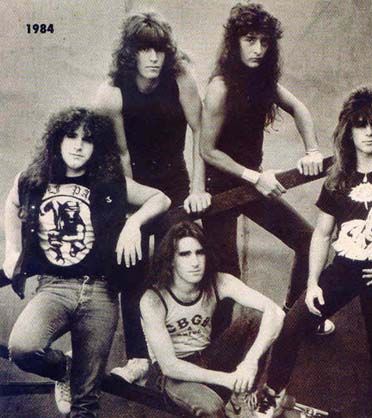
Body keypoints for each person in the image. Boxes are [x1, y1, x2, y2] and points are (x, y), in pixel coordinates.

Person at [253, 88, 372, 418]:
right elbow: (322, 233)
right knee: (292, 324)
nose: (368, 132)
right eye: (360, 124)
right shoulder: (339, 178)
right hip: (343, 269)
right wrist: (312, 284)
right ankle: (270, 399)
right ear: (349, 131)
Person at [5, 108, 171, 417]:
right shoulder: (33, 179)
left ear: (98, 146)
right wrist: (12, 251)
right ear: (57, 139)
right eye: (71, 136)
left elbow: (161, 198)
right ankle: (66, 368)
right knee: (23, 348)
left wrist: (133, 224)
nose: (78, 146)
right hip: (54, 288)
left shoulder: (110, 182)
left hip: (100, 293)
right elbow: (12, 203)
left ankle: (77, 378)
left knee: (85, 402)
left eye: (88, 139)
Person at [200, 2, 333, 335]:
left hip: (253, 184)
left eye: (264, 41)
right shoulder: (220, 87)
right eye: (250, 40)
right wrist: (254, 177)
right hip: (220, 192)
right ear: (234, 43)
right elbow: (207, 151)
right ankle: (216, 349)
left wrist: (312, 150)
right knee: (227, 276)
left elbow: (299, 108)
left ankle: (295, 318)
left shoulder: (262, 81)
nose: (258, 49)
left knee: (308, 241)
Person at [94, 11, 211, 380]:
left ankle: (175, 350)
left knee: (173, 260)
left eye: (159, 49)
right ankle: (137, 357)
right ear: (130, 53)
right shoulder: (111, 93)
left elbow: (201, 134)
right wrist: (131, 210)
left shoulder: (181, 78)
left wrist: (198, 189)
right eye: (144, 49)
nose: (153, 58)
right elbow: (120, 154)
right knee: (129, 264)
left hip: (176, 187)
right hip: (135, 189)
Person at [140, 221, 285, 417]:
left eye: (199, 253)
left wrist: (249, 363)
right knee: (212, 407)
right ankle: (231, 396)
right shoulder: (153, 299)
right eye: (185, 254)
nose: (195, 262)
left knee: (255, 318)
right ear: (171, 260)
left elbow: (275, 312)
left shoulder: (219, 281)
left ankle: (244, 395)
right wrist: (227, 379)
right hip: (174, 377)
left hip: (208, 356)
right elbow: (169, 366)